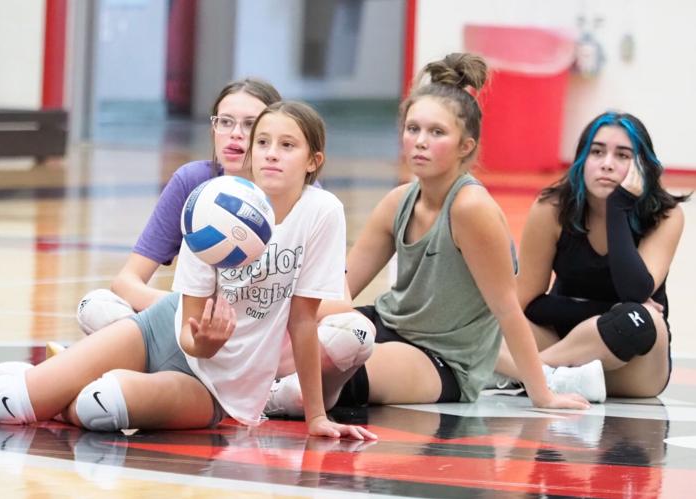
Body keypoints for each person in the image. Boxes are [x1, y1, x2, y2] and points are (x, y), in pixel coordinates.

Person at [0, 101, 376, 441]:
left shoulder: (322, 213)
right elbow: (187, 326)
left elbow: (304, 321)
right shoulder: (213, 205)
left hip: (217, 386)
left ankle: (55, 380)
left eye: (286, 145)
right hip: (165, 332)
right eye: (263, 142)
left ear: (314, 160)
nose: (270, 153)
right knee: (13, 402)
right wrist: (204, 338)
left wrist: (316, 415)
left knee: (100, 406)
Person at [265, 53, 593, 417]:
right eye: (413, 129)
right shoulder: (398, 201)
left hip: (441, 359)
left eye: (436, 132)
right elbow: (338, 288)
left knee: (313, 383)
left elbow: (507, 310)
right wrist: (277, 318)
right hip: (384, 325)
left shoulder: (470, 208)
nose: (420, 141)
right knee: (289, 340)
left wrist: (542, 394)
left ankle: (280, 390)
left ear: (465, 147)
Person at [492, 111, 688, 399]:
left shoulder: (666, 215)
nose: (607, 164)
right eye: (597, 152)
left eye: (623, 156)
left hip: (631, 360)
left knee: (640, 318)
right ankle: (549, 376)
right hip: (564, 341)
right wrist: (602, 310)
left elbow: (634, 291)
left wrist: (619, 207)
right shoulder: (552, 208)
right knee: (482, 323)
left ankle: (528, 374)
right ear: (582, 161)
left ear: (642, 168)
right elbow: (526, 303)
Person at [76, 78, 282, 334]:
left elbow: (323, 298)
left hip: (266, 330)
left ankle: (128, 363)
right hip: (193, 328)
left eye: (250, 124)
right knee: (96, 305)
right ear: (213, 129)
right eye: (225, 122)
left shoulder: (299, 192)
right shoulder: (192, 182)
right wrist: (191, 308)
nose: (235, 133)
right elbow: (126, 282)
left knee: (342, 333)